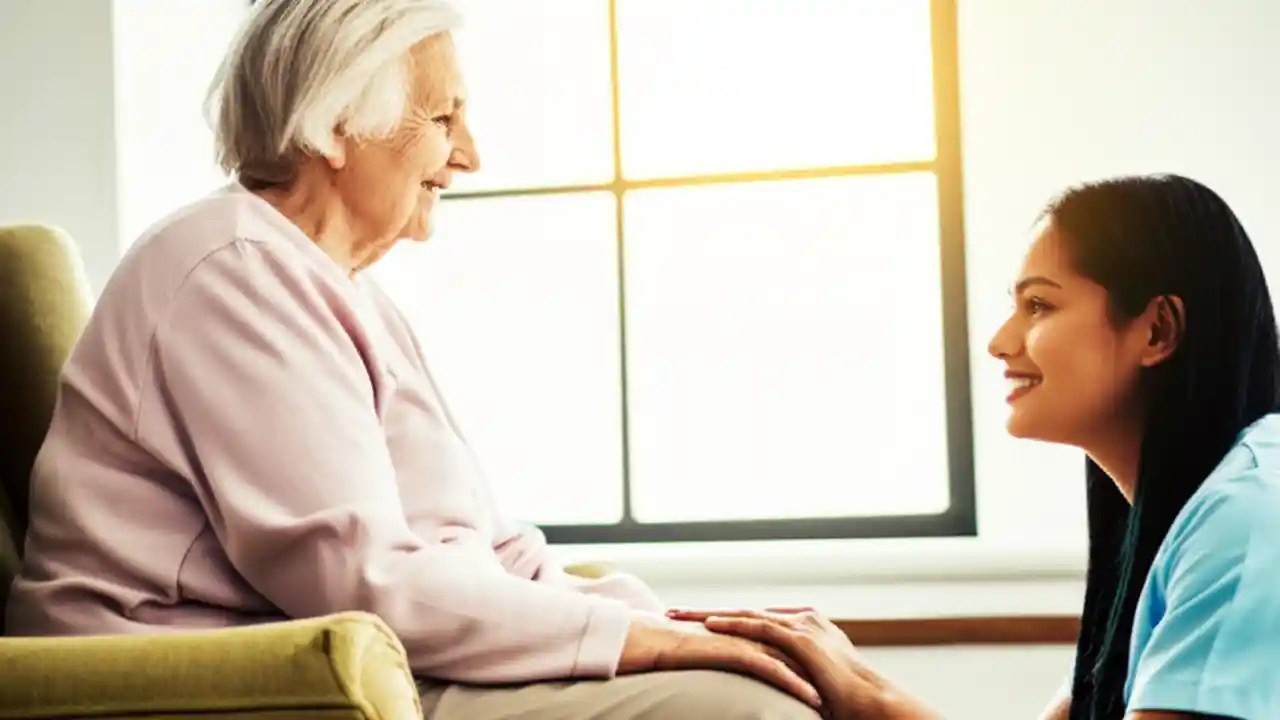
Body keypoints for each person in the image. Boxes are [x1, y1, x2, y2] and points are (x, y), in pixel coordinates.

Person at [3, 1, 823, 717]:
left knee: (776, 681)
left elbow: (491, 549)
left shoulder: (334, 286)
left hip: (357, 652)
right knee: (748, 709)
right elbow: (359, 578)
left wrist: (672, 623)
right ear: (334, 126)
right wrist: (629, 639)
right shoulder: (230, 270)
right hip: (228, 676)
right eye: (442, 120)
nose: (469, 154)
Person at [671, 174, 1280, 720]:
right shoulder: (1167, 515)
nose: (999, 342)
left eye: (1039, 305)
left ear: (1158, 329)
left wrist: (874, 701)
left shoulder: (1247, 520)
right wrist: (861, 682)